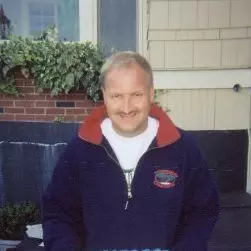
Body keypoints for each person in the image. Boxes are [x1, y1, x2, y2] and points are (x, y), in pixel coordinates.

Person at [42, 51, 219, 251]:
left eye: (136, 94)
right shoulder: (79, 150)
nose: (127, 108)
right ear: (104, 96)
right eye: (117, 96)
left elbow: (202, 212)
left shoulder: (183, 148)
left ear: (151, 94)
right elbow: (58, 214)